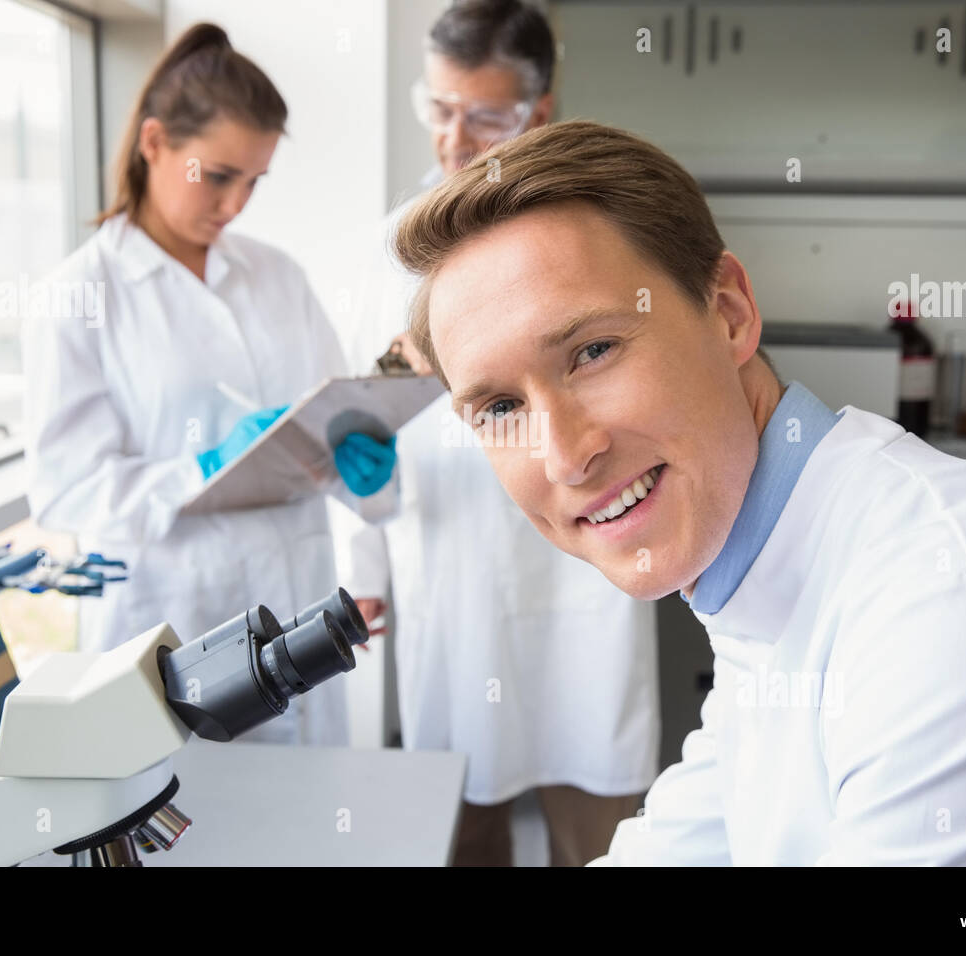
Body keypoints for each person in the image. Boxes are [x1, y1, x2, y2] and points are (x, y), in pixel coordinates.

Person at [390, 119, 966, 865]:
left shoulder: (964, 621)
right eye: (499, 409)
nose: (563, 456)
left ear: (729, 314)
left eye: (592, 351)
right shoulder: (758, 589)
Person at [333, 0, 660, 866]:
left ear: (538, 113)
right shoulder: (384, 255)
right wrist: (362, 516)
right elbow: (358, 421)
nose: (453, 137)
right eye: (439, 109)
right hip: (450, 573)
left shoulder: (593, 234)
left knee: (601, 827)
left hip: (585, 565)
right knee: (459, 818)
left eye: (483, 116)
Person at [22, 23, 398, 748]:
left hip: (294, 619)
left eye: (254, 181)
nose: (235, 204)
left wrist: (367, 468)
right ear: (154, 143)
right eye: (218, 175)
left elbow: (334, 417)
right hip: (169, 626)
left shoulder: (277, 276)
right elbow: (65, 490)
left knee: (306, 829)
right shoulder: (79, 295)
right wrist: (198, 470)